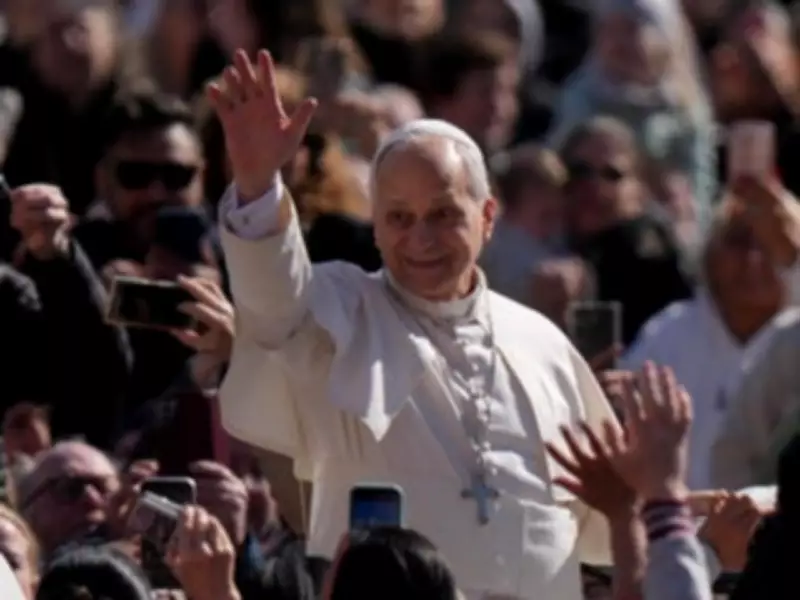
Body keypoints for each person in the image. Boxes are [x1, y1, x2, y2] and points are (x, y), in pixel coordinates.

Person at [206, 49, 616, 600]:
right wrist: (259, 186)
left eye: (444, 215)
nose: (421, 239)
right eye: (399, 218)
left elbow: (605, 520)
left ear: (487, 218)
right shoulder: (340, 311)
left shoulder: (543, 344)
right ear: (374, 226)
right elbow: (272, 308)